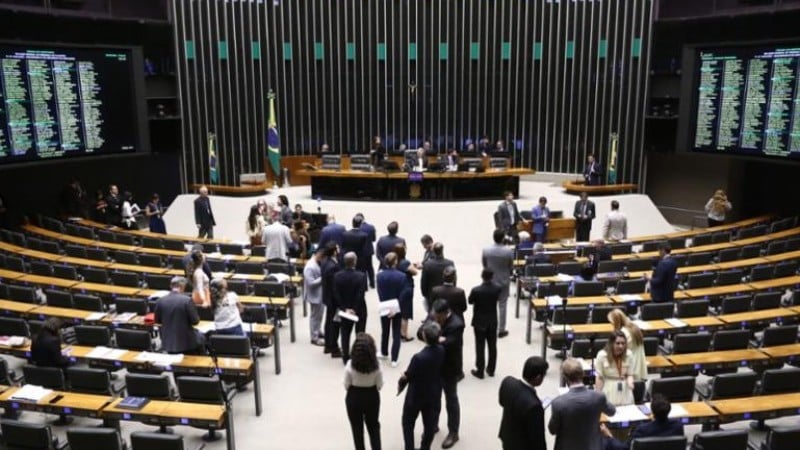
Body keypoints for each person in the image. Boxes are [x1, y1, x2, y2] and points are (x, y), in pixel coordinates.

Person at [549, 358, 616, 450]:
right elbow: (612, 411)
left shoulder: (558, 403)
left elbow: (552, 430)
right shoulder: (598, 397)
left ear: (564, 377)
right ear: (583, 374)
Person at [401, 322, 445, 450]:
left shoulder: (418, 358)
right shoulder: (441, 350)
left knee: (408, 422)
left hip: (416, 395)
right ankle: (425, 447)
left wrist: (404, 376)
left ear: (425, 337)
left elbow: (409, 374)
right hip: (433, 393)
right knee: (429, 424)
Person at [498, 356, 549, 450]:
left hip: (507, 436)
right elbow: (538, 439)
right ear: (538, 377)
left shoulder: (507, 381)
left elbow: (502, 402)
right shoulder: (535, 407)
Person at [433, 299, 465, 449]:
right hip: (434, 365)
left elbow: (451, 343)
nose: (436, 319)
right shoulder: (434, 314)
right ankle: (433, 424)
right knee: (434, 397)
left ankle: (453, 432)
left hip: (449, 367)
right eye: (435, 316)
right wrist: (437, 338)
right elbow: (421, 331)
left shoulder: (457, 324)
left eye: (438, 317)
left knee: (451, 399)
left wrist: (434, 338)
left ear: (446, 313)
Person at [600, 394, 684, 450]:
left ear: (652, 411)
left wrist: (609, 435)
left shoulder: (642, 430)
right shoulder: (678, 425)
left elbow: (624, 448)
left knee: (605, 443)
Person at [344, 333, 383, 450]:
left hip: (354, 397)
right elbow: (379, 385)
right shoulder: (377, 366)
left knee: (357, 429)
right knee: (373, 427)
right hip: (371, 396)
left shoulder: (350, 365)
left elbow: (346, 384)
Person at [154, 277, 204, 354]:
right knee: (202, 338)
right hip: (187, 343)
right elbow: (195, 321)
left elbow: (157, 320)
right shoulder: (187, 300)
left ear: (171, 286)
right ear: (183, 286)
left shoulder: (160, 301)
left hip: (168, 342)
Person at [335, 252, 368, 364]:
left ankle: (345, 356)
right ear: (355, 262)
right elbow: (360, 294)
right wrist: (354, 308)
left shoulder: (337, 276)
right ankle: (359, 355)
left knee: (345, 334)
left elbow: (336, 295)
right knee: (360, 333)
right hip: (359, 309)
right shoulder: (361, 276)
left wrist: (344, 308)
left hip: (344, 310)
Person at [469, 269, 502, 379]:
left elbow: (470, 301)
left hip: (479, 321)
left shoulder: (476, 290)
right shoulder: (497, 289)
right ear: (492, 277)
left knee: (480, 346)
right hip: (492, 320)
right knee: (492, 346)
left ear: (482, 276)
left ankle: (480, 370)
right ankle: (491, 369)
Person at [482, 229, 514, 338]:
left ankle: (489, 327)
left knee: (489, 306)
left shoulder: (486, 250)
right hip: (503, 281)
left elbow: (485, 265)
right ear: (503, 238)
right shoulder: (508, 251)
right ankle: (501, 329)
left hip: (490, 281)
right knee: (502, 305)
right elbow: (511, 266)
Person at [376, 252, 405, 367]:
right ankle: (394, 359)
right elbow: (402, 295)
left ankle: (384, 352)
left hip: (384, 305)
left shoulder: (379, 276)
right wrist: (397, 307)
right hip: (396, 306)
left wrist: (385, 305)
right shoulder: (402, 276)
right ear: (395, 262)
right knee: (396, 332)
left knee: (385, 330)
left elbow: (379, 292)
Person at [595, 331, 635, 406]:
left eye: (623, 343)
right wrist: (598, 395)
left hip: (625, 388)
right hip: (609, 386)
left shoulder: (629, 354)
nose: (621, 346)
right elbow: (600, 377)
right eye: (618, 343)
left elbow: (630, 374)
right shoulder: (602, 355)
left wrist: (630, 383)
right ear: (611, 343)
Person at [607, 309, 647, 382]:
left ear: (616, 322)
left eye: (612, 323)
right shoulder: (634, 327)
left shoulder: (623, 333)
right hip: (639, 369)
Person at [321, 242, 343, 357]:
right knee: (334, 323)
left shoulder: (325, 262)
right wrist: (339, 301)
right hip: (332, 299)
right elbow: (334, 286)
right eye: (337, 248)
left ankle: (328, 345)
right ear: (334, 251)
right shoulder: (332, 267)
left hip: (327, 297)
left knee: (329, 321)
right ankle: (333, 347)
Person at [420, 242, 455, 312]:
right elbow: (453, 278)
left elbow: (423, 281)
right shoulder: (450, 263)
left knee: (432, 314)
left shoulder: (427, 264)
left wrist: (425, 294)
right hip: (447, 293)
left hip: (431, 294)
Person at [394, 243, 418, 342]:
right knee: (405, 313)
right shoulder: (405, 262)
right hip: (406, 288)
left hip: (398, 288)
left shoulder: (395, 261)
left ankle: (398, 331)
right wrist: (414, 266)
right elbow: (415, 272)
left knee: (399, 311)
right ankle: (404, 334)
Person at [304, 247, 327, 346]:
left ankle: (318, 331)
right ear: (319, 255)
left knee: (319, 315)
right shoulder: (310, 267)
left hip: (320, 294)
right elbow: (311, 283)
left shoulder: (317, 263)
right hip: (315, 295)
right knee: (315, 317)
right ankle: (314, 337)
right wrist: (323, 278)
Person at [342, 215, 371, 279]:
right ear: (360, 224)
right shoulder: (364, 235)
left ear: (352, 223)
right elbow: (366, 251)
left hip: (348, 260)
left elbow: (343, 247)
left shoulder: (345, 234)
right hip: (360, 261)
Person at [358, 213, 377, 289]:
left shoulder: (358, 228)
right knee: (370, 267)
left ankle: (365, 285)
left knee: (362, 268)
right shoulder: (371, 227)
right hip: (369, 250)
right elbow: (374, 239)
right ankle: (372, 283)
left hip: (361, 251)